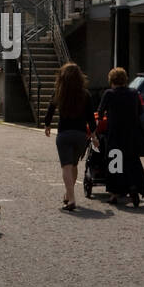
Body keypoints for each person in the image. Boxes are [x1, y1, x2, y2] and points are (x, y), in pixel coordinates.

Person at [44, 62, 96, 211]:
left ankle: (71, 198)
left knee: (66, 167)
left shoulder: (59, 92)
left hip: (64, 134)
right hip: (80, 135)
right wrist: (94, 136)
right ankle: (68, 195)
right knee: (73, 166)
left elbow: (50, 111)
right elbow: (91, 119)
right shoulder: (85, 94)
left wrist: (47, 125)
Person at [97, 67, 144, 206]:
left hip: (115, 134)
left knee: (115, 164)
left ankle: (114, 194)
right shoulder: (134, 93)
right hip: (132, 134)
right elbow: (140, 111)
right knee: (132, 161)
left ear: (111, 80)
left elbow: (101, 112)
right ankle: (134, 186)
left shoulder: (109, 93)